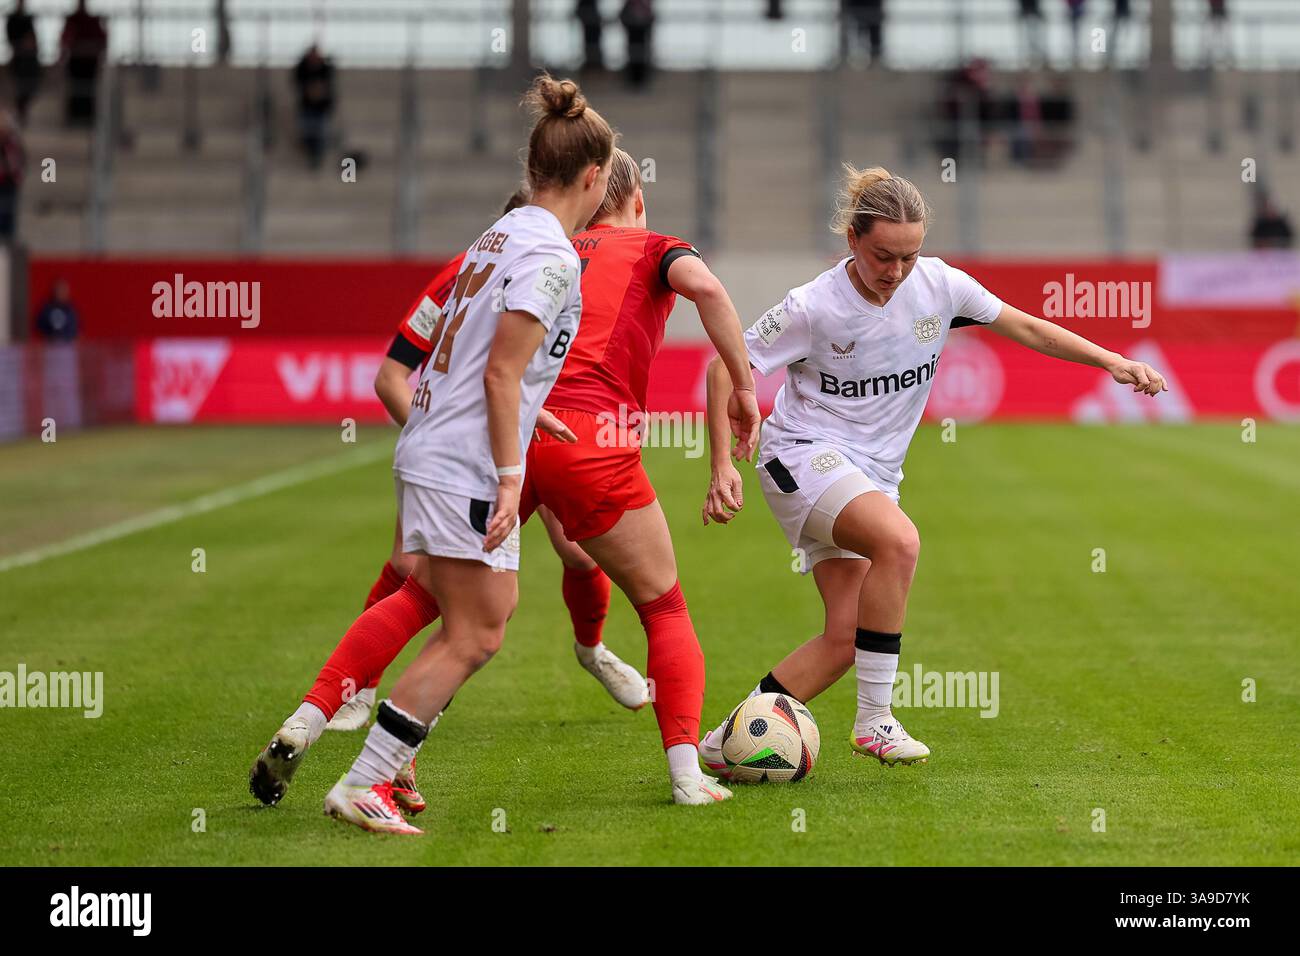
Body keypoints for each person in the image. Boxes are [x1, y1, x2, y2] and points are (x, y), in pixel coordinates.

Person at [698, 166, 1166, 775]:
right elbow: (721, 366)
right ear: (852, 242)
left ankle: (726, 739)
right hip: (802, 456)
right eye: (882, 256)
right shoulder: (814, 306)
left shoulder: (940, 285)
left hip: (870, 475)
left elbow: (1027, 327)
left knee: (847, 638)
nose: (895, 271)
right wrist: (718, 465)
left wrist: (1111, 360)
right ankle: (875, 722)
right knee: (901, 540)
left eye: (909, 256)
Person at [256, 74, 614, 836]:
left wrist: (532, 418)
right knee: (477, 631)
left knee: (454, 609)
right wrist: (513, 475)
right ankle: (366, 782)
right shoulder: (552, 257)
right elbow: (498, 370)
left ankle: (345, 745)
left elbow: (479, 358)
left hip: (432, 446)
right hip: (468, 463)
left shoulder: (496, 237)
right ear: (594, 177)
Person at [516, 147, 760, 807]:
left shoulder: (550, 249)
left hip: (515, 429)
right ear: (639, 198)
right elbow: (708, 289)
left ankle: (343, 720)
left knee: (441, 596)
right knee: (663, 606)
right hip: (592, 441)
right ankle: (686, 776)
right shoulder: (655, 247)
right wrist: (744, 387)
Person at [59, 0, 107, 127]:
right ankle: (74, 118)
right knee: (76, 90)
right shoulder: (72, 20)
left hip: (89, 63)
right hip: (76, 63)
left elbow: (102, 40)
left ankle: (88, 119)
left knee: (88, 91)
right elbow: (65, 40)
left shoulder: (92, 21)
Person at [293, 44, 335, 169]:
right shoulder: (303, 69)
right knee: (308, 133)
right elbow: (298, 80)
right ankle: (311, 152)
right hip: (307, 108)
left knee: (320, 134)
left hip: (321, 110)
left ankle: (316, 155)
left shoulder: (325, 69)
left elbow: (329, 85)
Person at [5, 0, 42, 124]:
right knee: (20, 88)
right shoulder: (13, 19)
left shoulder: (28, 19)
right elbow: (11, 38)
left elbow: (34, 37)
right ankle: (19, 112)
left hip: (29, 61)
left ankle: (21, 112)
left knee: (29, 87)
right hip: (19, 60)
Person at [0, 109, 24, 243]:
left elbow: (18, 163)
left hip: (8, 187)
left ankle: (7, 246)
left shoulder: (12, 145)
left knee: (7, 222)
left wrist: (16, 177)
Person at [620, 0, 654, 89]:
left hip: (639, 35)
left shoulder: (644, 5)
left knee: (640, 54)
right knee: (635, 54)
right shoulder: (638, 4)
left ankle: (639, 80)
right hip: (634, 34)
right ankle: (635, 80)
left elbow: (650, 18)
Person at [575, 0, 604, 72]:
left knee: (593, 45)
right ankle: (593, 65)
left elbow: (578, 11)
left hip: (592, 27)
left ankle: (594, 65)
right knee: (591, 45)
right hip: (590, 27)